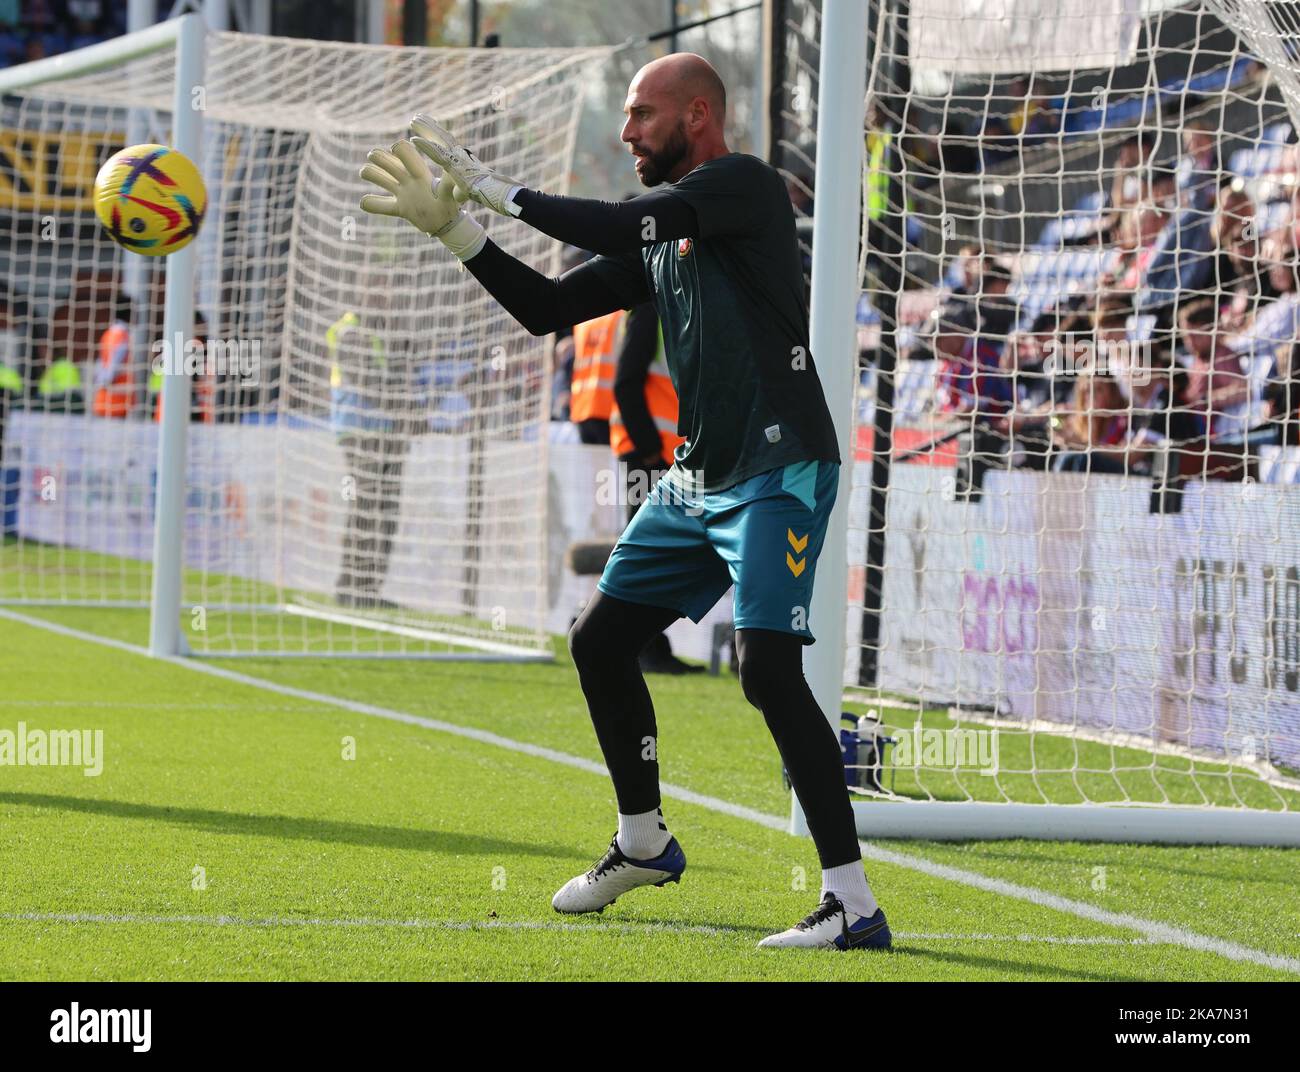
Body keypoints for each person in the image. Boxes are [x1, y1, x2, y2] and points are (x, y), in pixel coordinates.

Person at [359, 52, 891, 950]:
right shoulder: (672, 235)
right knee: (601, 639)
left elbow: (612, 225)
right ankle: (643, 841)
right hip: (696, 479)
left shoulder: (743, 185)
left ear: (697, 115)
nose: (626, 129)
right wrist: (460, 236)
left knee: (766, 669)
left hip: (779, 466)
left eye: (642, 113)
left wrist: (496, 190)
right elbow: (548, 308)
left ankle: (853, 903)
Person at [609, 300, 698, 675]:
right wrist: (647, 446)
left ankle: (648, 644)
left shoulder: (667, 309)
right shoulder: (651, 310)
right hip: (650, 453)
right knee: (645, 550)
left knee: (654, 550)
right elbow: (626, 381)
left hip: (665, 453)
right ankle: (641, 646)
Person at [326, 305, 416, 610]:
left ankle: (367, 588)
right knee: (367, 508)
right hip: (361, 432)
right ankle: (353, 586)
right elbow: (365, 380)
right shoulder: (351, 330)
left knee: (382, 510)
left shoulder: (382, 328)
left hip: (383, 430)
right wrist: (405, 412)